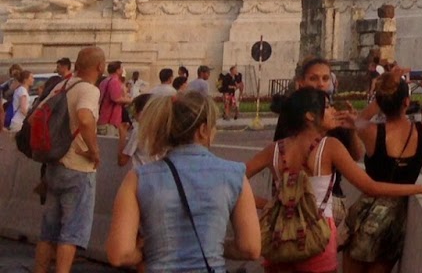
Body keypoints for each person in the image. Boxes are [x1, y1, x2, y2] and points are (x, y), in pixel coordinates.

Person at [246, 88, 422, 273]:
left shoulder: (274, 150)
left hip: (280, 238)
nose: (333, 110)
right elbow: (371, 187)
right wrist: (419, 188)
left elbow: (236, 181)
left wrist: (269, 205)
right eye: (327, 107)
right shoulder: (329, 147)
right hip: (318, 238)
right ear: (310, 116)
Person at [106, 90, 261, 273]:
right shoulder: (234, 175)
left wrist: (145, 252)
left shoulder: (139, 178)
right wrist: (215, 247)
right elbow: (250, 248)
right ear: (203, 130)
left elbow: (119, 254)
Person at [344, 67, 422, 273]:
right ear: (406, 103)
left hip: (365, 212)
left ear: (382, 103)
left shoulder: (371, 132)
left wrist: (387, 85)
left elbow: (359, 120)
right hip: (394, 216)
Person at [35, 45, 106, 273]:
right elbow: (85, 119)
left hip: (54, 165)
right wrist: (94, 152)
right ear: (100, 67)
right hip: (78, 168)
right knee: (70, 233)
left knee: (48, 232)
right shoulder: (89, 90)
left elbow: (35, 116)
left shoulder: (61, 85)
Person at [97, 60, 128, 135]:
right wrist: (131, 100)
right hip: (110, 121)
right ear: (118, 70)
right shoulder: (114, 81)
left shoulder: (104, 81)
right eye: (121, 68)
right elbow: (116, 98)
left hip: (103, 118)